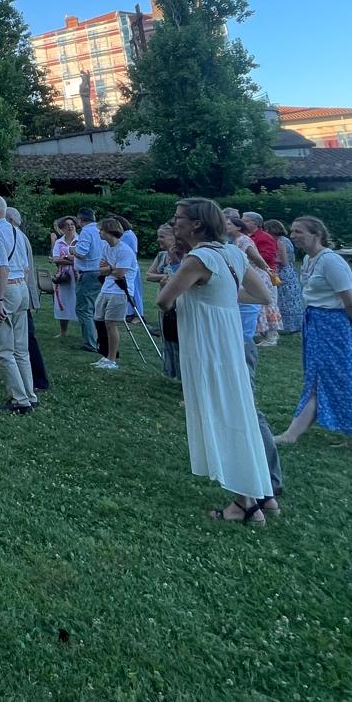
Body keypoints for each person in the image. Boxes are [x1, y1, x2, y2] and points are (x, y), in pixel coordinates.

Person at [158, 197, 277, 524]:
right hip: (229, 342)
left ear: (196, 223)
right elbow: (263, 294)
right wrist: (220, 297)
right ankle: (264, 496)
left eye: (179, 217)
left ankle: (244, 504)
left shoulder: (197, 259)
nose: (174, 222)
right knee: (239, 412)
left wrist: (186, 283)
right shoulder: (233, 253)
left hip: (207, 345)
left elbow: (164, 300)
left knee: (223, 416)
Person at [275, 216, 352, 454]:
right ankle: (292, 434)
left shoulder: (332, 262)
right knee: (317, 379)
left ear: (317, 234)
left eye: (299, 231)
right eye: (292, 231)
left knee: (345, 380)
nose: (293, 236)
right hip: (316, 324)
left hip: (335, 328)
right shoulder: (311, 260)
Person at [0, 195, 36, 414]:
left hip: (5, 289)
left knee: (3, 349)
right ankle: (29, 395)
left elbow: (2, 267)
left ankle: (19, 400)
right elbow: (26, 268)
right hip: (21, 288)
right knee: (21, 349)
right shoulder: (17, 232)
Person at [9, 207, 50, 392]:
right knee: (24, 337)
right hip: (22, 293)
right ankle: (33, 376)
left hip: (20, 293)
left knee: (27, 338)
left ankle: (38, 379)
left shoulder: (16, 237)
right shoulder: (19, 236)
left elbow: (24, 270)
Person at [92, 217, 137, 370]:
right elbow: (101, 268)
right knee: (99, 320)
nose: (99, 233)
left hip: (119, 290)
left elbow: (120, 272)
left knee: (111, 323)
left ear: (109, 231)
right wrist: (110, 268)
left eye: (101, 230)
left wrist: (109, 268)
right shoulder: (106, 248)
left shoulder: (124, 250)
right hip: (106, 288)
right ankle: (104, 355)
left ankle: (112, 358)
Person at [146, 224, 184, 382]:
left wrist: (165, 277)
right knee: (166, 337)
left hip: (179, 304)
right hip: (164, 302)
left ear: (173, 238)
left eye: (162, 236)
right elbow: (149, 274)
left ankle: (182, 375)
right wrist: (162, 277)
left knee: (178, 338)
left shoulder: (184, 256)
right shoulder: (162, 255)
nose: (158, 239)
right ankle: (169, 371)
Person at [242, 211, 282, 347]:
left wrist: (251, 256)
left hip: (265, 274)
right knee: (258, 306)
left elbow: (269, 257)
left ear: (255, 223)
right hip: (254, 273)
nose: (242, 222)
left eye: (246, 220)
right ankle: (263, 333)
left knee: (268, 304)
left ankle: (272, 335)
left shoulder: (264, 237)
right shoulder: (248, 236)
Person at [72, 206, 104, 353]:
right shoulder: (99, 230)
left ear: (80, 219)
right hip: (100, 270)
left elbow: (82, 252)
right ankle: (99, 339)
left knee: (84, 308)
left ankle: (90, 342)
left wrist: (72, 250)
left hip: (89, 272)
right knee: (96, 307)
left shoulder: (86, 231)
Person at [267, 219, 305, 335]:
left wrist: (268, 259)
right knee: (292, 300)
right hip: (290, 272)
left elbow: (284, 261)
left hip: (283, 273)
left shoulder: (280, 242)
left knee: (284, 300)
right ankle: (295, 325)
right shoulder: (286, 240)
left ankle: (287, 326)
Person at [49, 217, 79, 342]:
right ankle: (63, 332)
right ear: (62, 228)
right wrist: (71, 258)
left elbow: (82, 259)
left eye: (72, 224)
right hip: (63, 277)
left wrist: (64, 257)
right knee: (63, 302)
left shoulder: (80, 241)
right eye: (67, 225)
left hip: (78, 276)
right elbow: (55, 259)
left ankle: (87, 331)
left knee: (80, 302)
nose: (70, 227)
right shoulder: (59, 242)